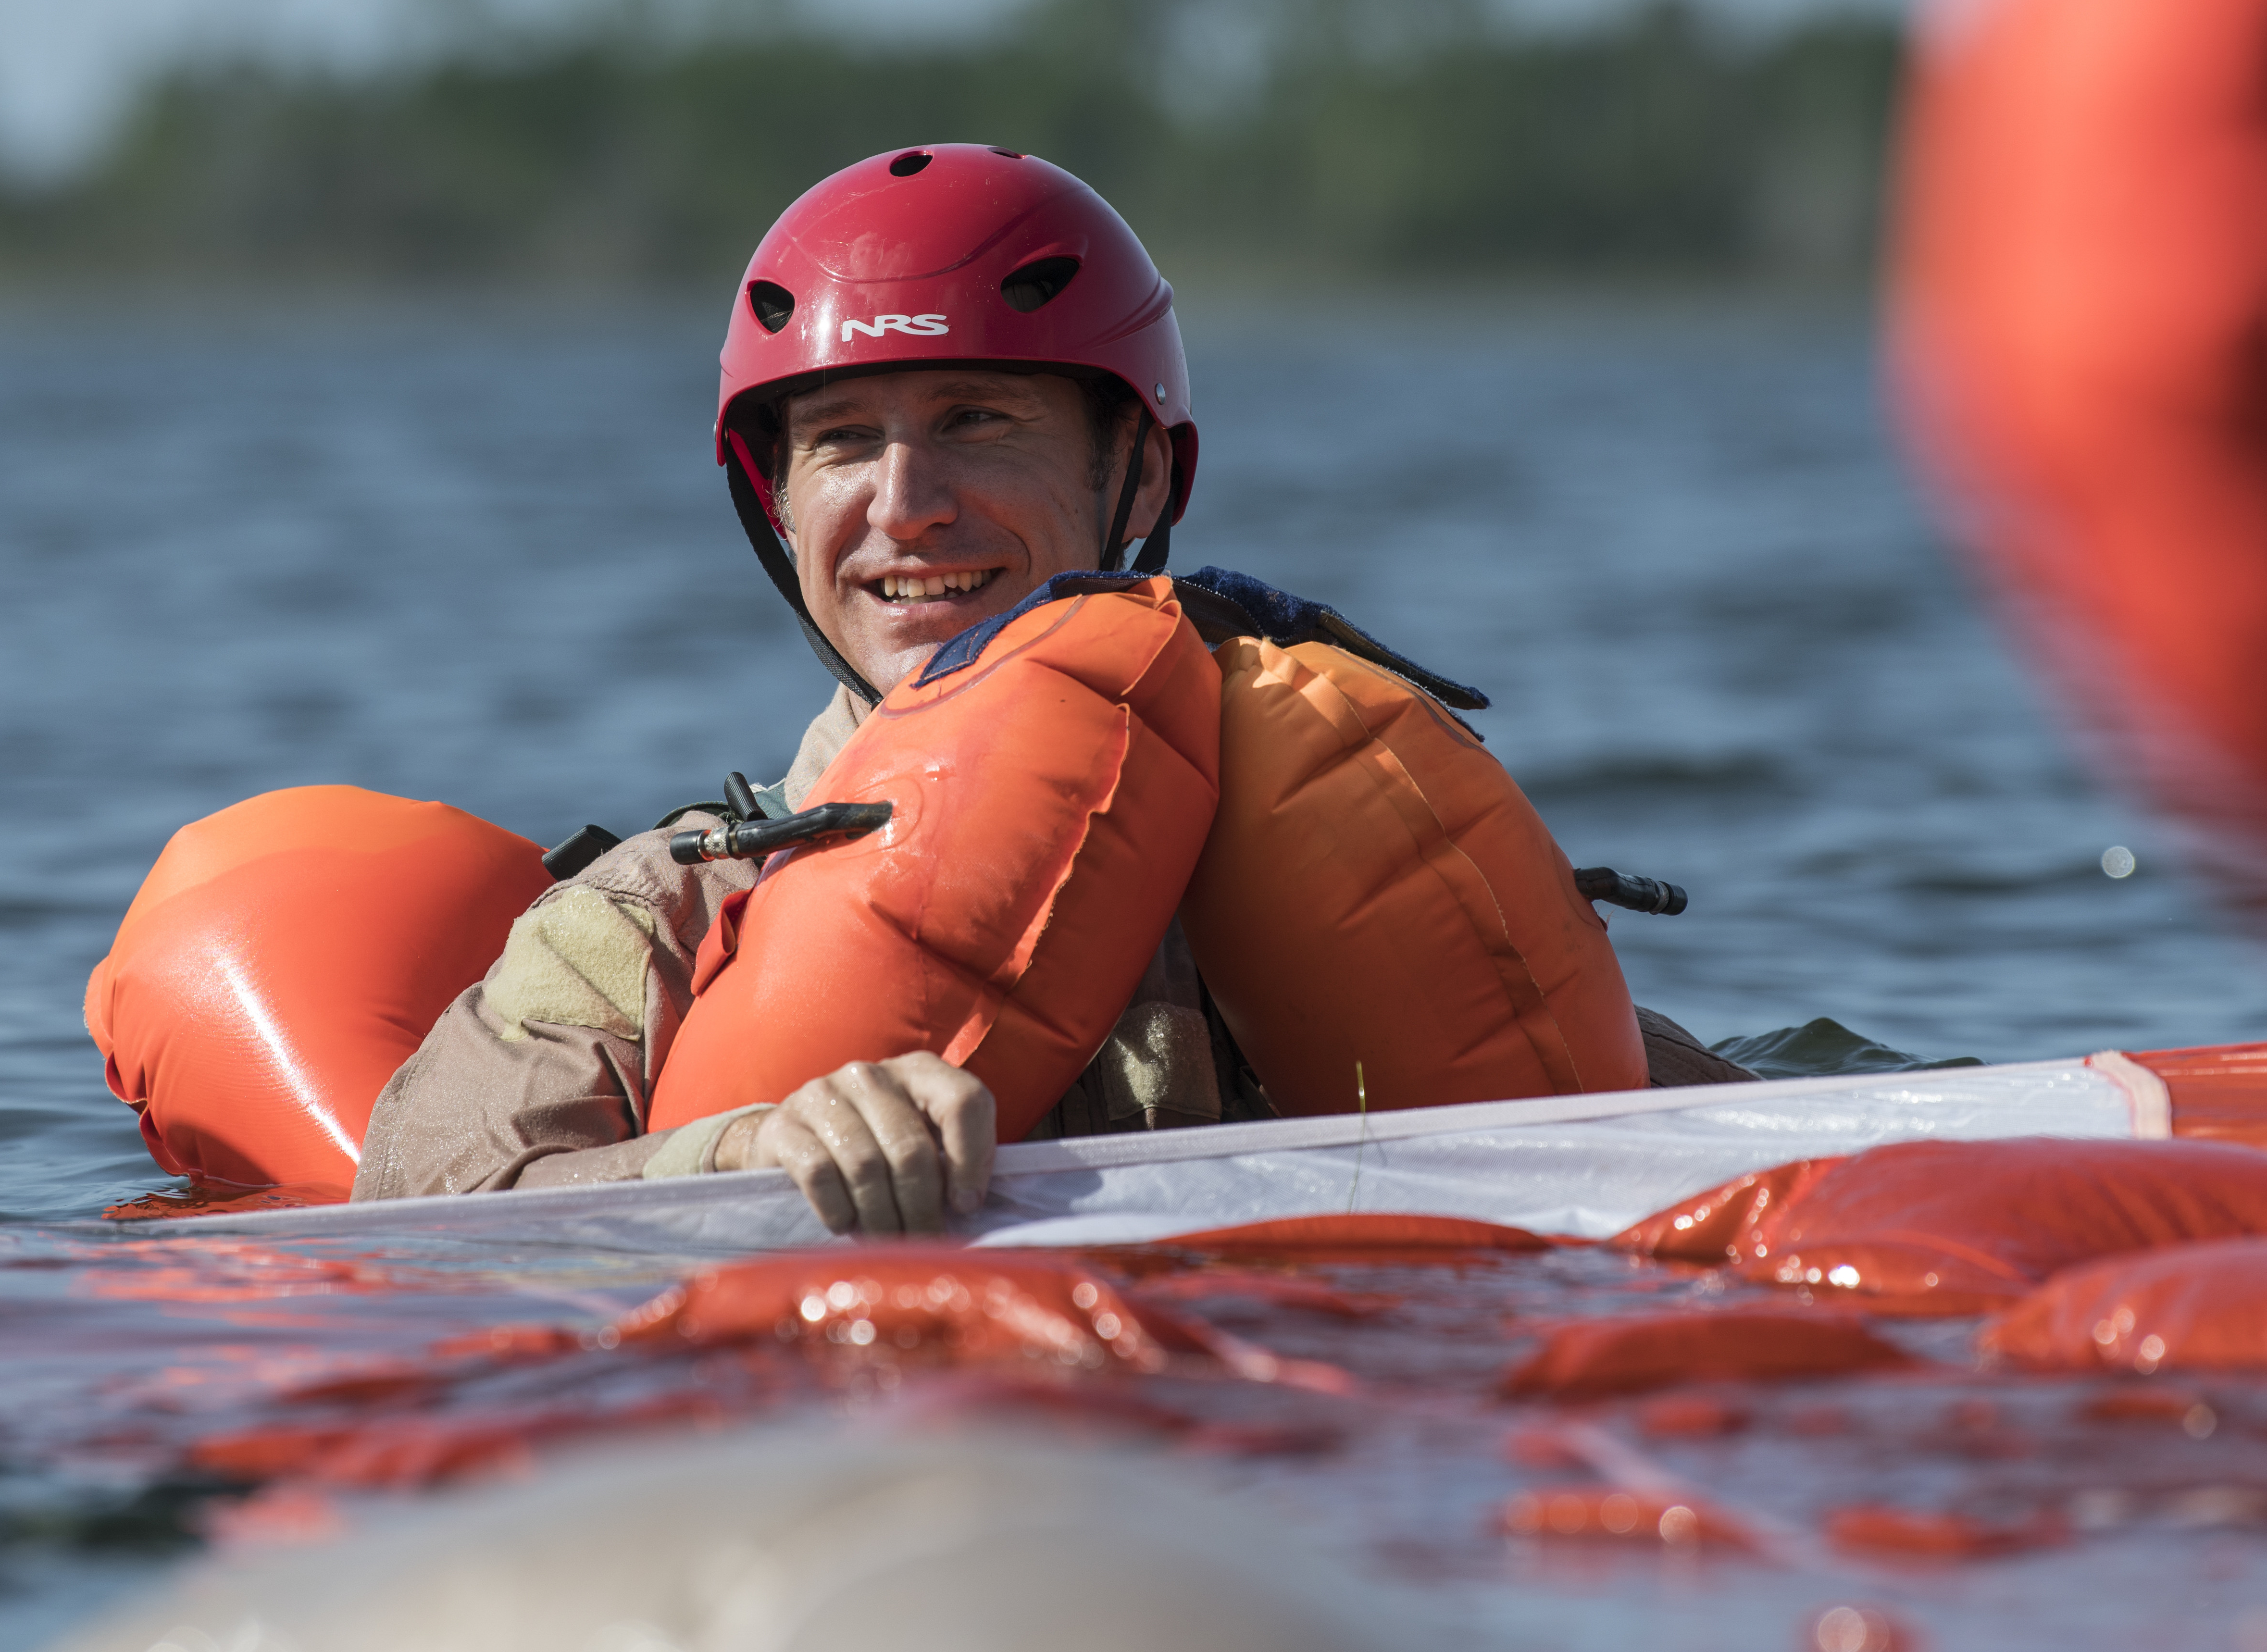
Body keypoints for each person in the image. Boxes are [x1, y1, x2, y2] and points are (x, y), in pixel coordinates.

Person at [355, 145, 1742, 1235]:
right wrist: (743, 1153)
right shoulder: (651, 918)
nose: (905, 508)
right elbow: (418, 1234)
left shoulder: (1349, 830)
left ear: (1137, 472)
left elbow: (1729, 1148)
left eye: (976, 422)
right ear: (776, 507)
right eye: (843, 444)